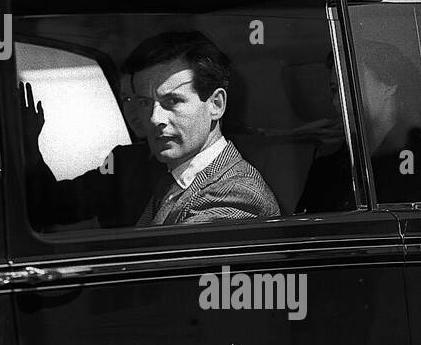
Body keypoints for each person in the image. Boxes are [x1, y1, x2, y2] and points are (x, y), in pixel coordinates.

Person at [22, 30, 278, 229]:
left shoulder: (238, 196)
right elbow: (58, 204)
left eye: (173, 101)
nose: (154, 118)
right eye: (145, 102)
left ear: (216, 104)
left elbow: (168, 289)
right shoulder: (167, 172)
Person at [21, 46, 168, 230]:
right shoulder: (121, 160)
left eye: (142, 100)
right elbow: (59, 204)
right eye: (126, 99)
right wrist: (31, 145)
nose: (133, 110)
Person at [295, 43, 421, 212]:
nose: (337, 102)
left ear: (389, 85)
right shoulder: (324, 170)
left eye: (349, 88)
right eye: (335, 90)